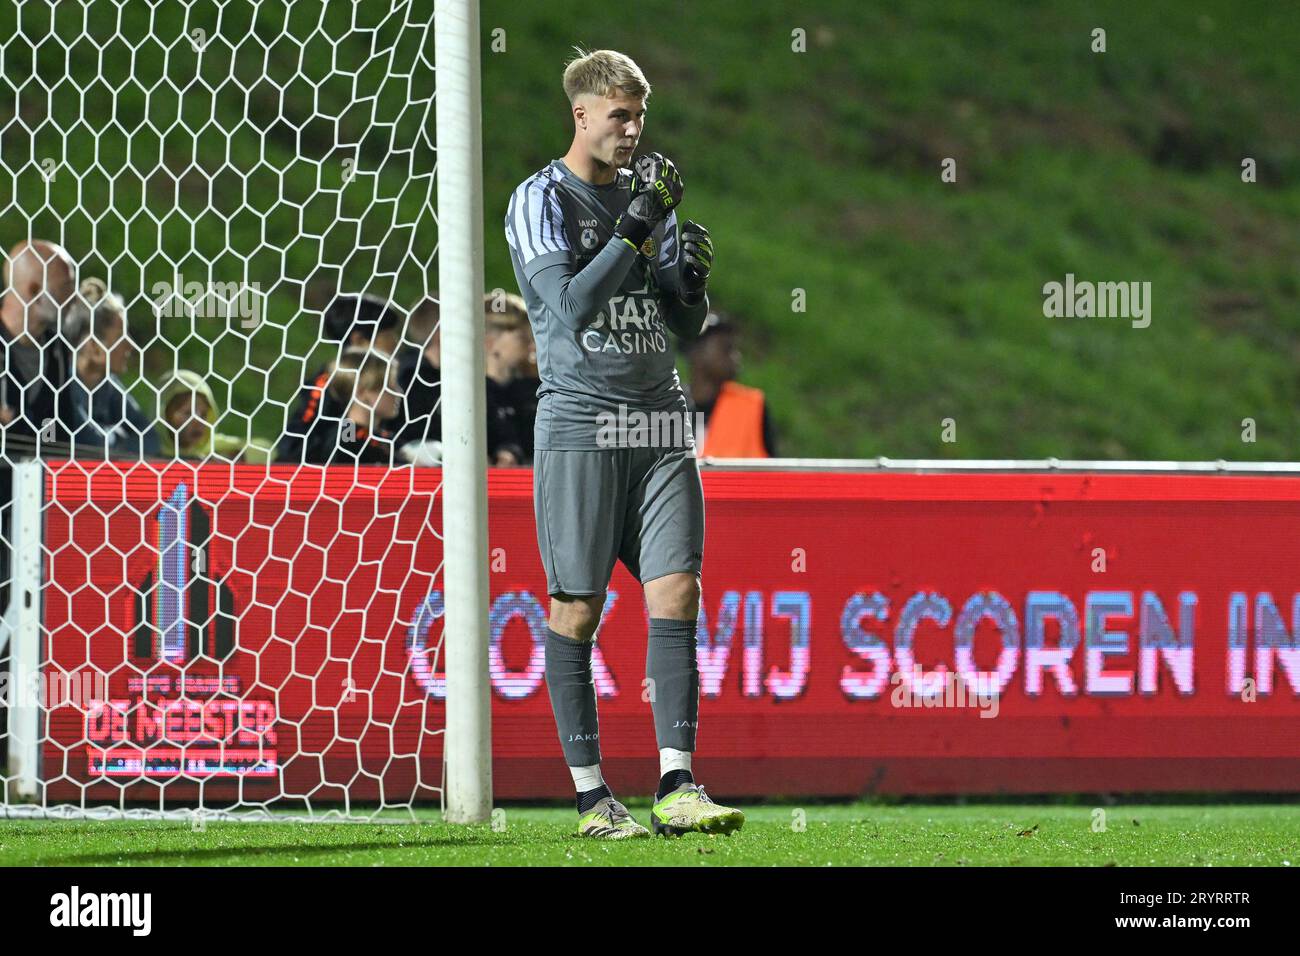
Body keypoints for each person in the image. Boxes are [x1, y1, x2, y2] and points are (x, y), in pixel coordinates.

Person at [504, 47, 740, 839]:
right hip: (581, 422)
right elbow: (568, 308)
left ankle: (677, 784)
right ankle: (589, 795)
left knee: (678, 590)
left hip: (661, 421)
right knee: (577, 607)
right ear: (581, 114)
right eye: (619, 115)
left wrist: (691, 288)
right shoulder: (538, 200)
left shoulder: (652, 201)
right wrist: (635, 232)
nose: (634, 130)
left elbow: (684, 331)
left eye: (640, 115)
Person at [276, 293, 401, 463]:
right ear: (358, 339)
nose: (396, 342)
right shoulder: (328, 382)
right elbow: (296, 442)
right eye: (387, 336)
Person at [59, 277, 160, 459]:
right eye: (121, 336)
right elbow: (85, 440)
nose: (131, 346)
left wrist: (110, 440)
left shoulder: (108, 386)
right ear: (94, 347)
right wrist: (118, 435)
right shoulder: (58, 385)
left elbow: (150, 439)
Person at [0, 239, 76, 447]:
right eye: (65, 287)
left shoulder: (57, 351)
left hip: (39, 477)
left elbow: (58, 431)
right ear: (34, 291)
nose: (74, 297)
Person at [684, 311, 777, 458]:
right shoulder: (667, 406)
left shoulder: (751, 406)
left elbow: (775, 474)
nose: (736, 356)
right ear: (696, 352)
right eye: (726, 348)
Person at [303, 350, 401, 466]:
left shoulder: (382, 437)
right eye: (389, 386)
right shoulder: (346, 439)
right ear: (361, 393)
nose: (399, 393)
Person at [157, 370, 269, 462]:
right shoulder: (149, 447)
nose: (197, 421)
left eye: (204, 414)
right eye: (187, 413)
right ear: (164, 413)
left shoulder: (212, 447)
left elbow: (266, 448)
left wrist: (232, 457)